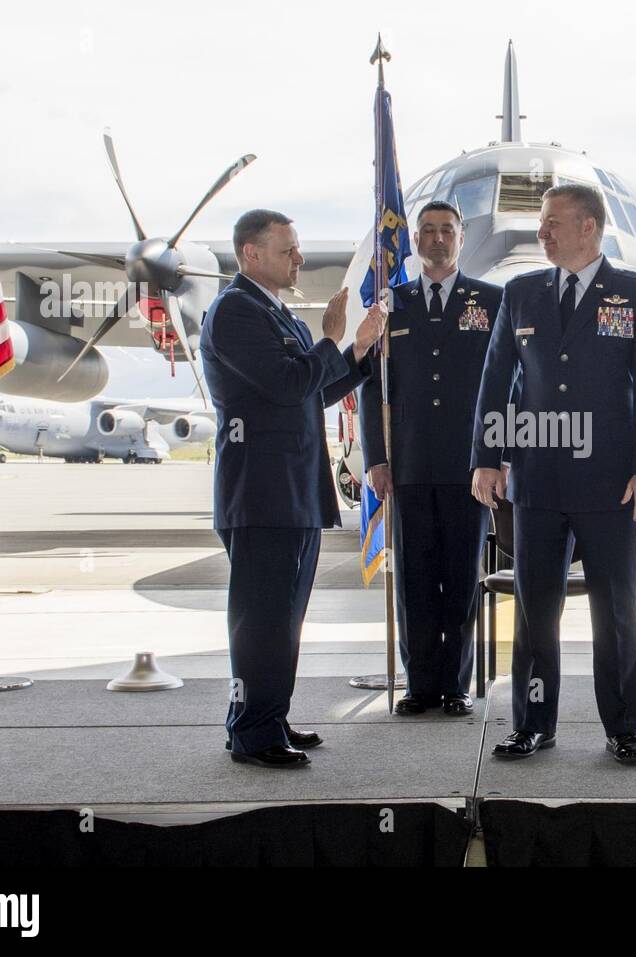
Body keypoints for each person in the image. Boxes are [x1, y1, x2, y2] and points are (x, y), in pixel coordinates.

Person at [470, 184, 636, 764]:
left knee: (615, 609)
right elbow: (497, 379)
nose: (542, 233)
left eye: (553, 222)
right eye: (543, 223)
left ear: (589, 226)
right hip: (537, 479)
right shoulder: (521, 293)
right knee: (536, 609)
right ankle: (533, 721)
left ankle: (624, 727)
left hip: (611, 482)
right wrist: (487, 456)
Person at [201, 208, 385, 768]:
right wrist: (330, 340)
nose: (299, 259)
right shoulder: (235, 311)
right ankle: (253, 732)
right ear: (251, 254)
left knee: (283, 619)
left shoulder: (279, 314)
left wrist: (356, 353)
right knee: (261, 619)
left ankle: (270, 716)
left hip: (294, 490)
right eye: (288, 250)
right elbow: (288, 385)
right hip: (261, 491)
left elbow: (314, 392)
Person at [359, 201, 503, 716]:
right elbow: (375, 390)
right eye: (428, 231)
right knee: (416, 580)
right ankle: (421, 684)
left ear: (462, 239)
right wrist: (376, 457)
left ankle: (456, 685)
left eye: (447, 230)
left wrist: (499, 453)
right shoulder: (389, 306)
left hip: (469, 468)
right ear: (414, 241)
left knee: (462, 579)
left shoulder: (491, 301)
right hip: (410, 467)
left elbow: (505, 385)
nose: (437, 239)